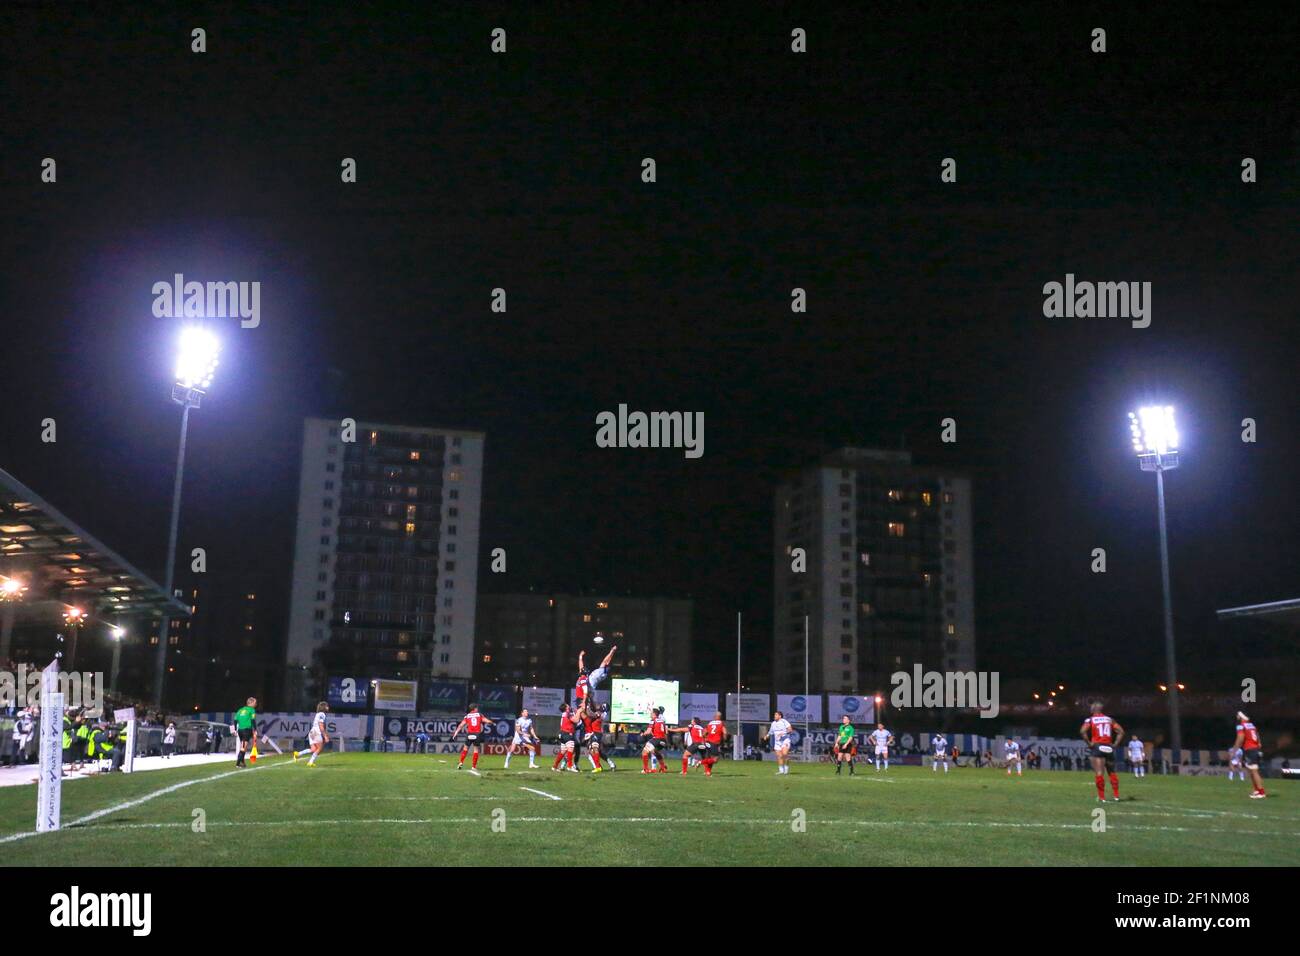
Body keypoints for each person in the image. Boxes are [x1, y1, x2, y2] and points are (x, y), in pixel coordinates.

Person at [1081, 701, 1125, 803]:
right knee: (1112, 772)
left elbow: (1082, 731)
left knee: (1099, 772)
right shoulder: (1109, 719)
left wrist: (1089, 743)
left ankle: (1102, 797)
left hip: (1097, 746)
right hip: (1109, 747)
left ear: (1093, 709)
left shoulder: (1090, 719)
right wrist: (1115, 744)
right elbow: (1121, 732)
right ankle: (1116, 796)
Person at [1232, 712, 1267, 799]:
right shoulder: (1251, 725)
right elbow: (1258, 737)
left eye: (1238, 716)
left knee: (1254, 771)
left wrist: (1235, 749)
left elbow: (1240, 738)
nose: (1237, 717)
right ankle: (1256, 790)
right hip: (1254, 749)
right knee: (1250, 770)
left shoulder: (1241, 725)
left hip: (1250, 749)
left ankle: (1261, 792)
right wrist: (1258, 745)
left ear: (1241, 717)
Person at [454, 703, 492, 771]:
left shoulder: (467, 716)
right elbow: (486, 720)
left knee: (465, 749)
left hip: (469, 734)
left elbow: (461, 725)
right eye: (477, 708)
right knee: (476, 750)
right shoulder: (479, 714)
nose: (477, 709)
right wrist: (491, 722)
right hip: (477, 734)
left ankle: (461, 762)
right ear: (475, 708)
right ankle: (473, 767)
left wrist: (456, 733)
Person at [294, 701, 331, 767]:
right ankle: (310, 762)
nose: (328, 707)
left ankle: (297, 754)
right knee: (319, 748)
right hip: (316, 732)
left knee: (313, 749)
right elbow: (321, 725)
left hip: (312, 732)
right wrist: (325, 736)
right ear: (324, 707)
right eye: (327, 706)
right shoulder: (322, 714)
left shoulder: (318, 714)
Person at [640, 706, 670, 773]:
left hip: (657, 739)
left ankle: (645, 769)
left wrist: (643, 734)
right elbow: (666, 732)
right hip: (663, 740)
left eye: (651, 713)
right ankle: (663, 768)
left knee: (644, 753)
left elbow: (648, 731)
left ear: (654, 714)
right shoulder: (662, 721)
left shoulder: (652, 721)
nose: (650, 714)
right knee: (655, 752)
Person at [765, 710, 794, 775]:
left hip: (785, 740)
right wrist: (767, 735)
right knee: (779, 756)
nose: (774, 716)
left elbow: (790, 730)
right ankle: (781, 771)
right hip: (777, 742)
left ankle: (786, 769)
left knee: (784, 754)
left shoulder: (784, 721)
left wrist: (783, 733)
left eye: (776, 715)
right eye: (774, 715)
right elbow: (771, 732)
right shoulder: (773, 723)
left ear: (780, 716)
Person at [554, 703, 579, 772]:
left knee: (563, 751)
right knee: (570, 750)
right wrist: (578, 712)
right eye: (568, 705)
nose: (569, 706)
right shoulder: (567, 714)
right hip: (567, 733)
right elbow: (576, 720)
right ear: (566, 708)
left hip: (562, 733)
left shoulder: (564, 714)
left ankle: (555, 766)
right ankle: (570, 766)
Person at [233, 697, 258, 768]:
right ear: (251, 703)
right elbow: (253, 720)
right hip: (246, 730)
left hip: (240, 730)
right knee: (243, 747)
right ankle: (238, 763)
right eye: (255, 703)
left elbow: (235, 720)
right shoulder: (252, 710)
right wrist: (255, 730)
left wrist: (235, 729)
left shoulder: (240, 709)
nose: (256, 704)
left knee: (243, 746)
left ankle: (242, 762)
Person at [700, 711, 727, 777]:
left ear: (715, 716)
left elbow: (704, 733)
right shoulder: (721, 723)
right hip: (715, 742)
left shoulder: (710, 723)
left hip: (708, 742)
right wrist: (724, 740)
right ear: (720, 717)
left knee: (709, 758)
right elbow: (725, 733)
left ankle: (708, 772)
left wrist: (704, 739)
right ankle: (700, 762)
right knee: (715, 759)